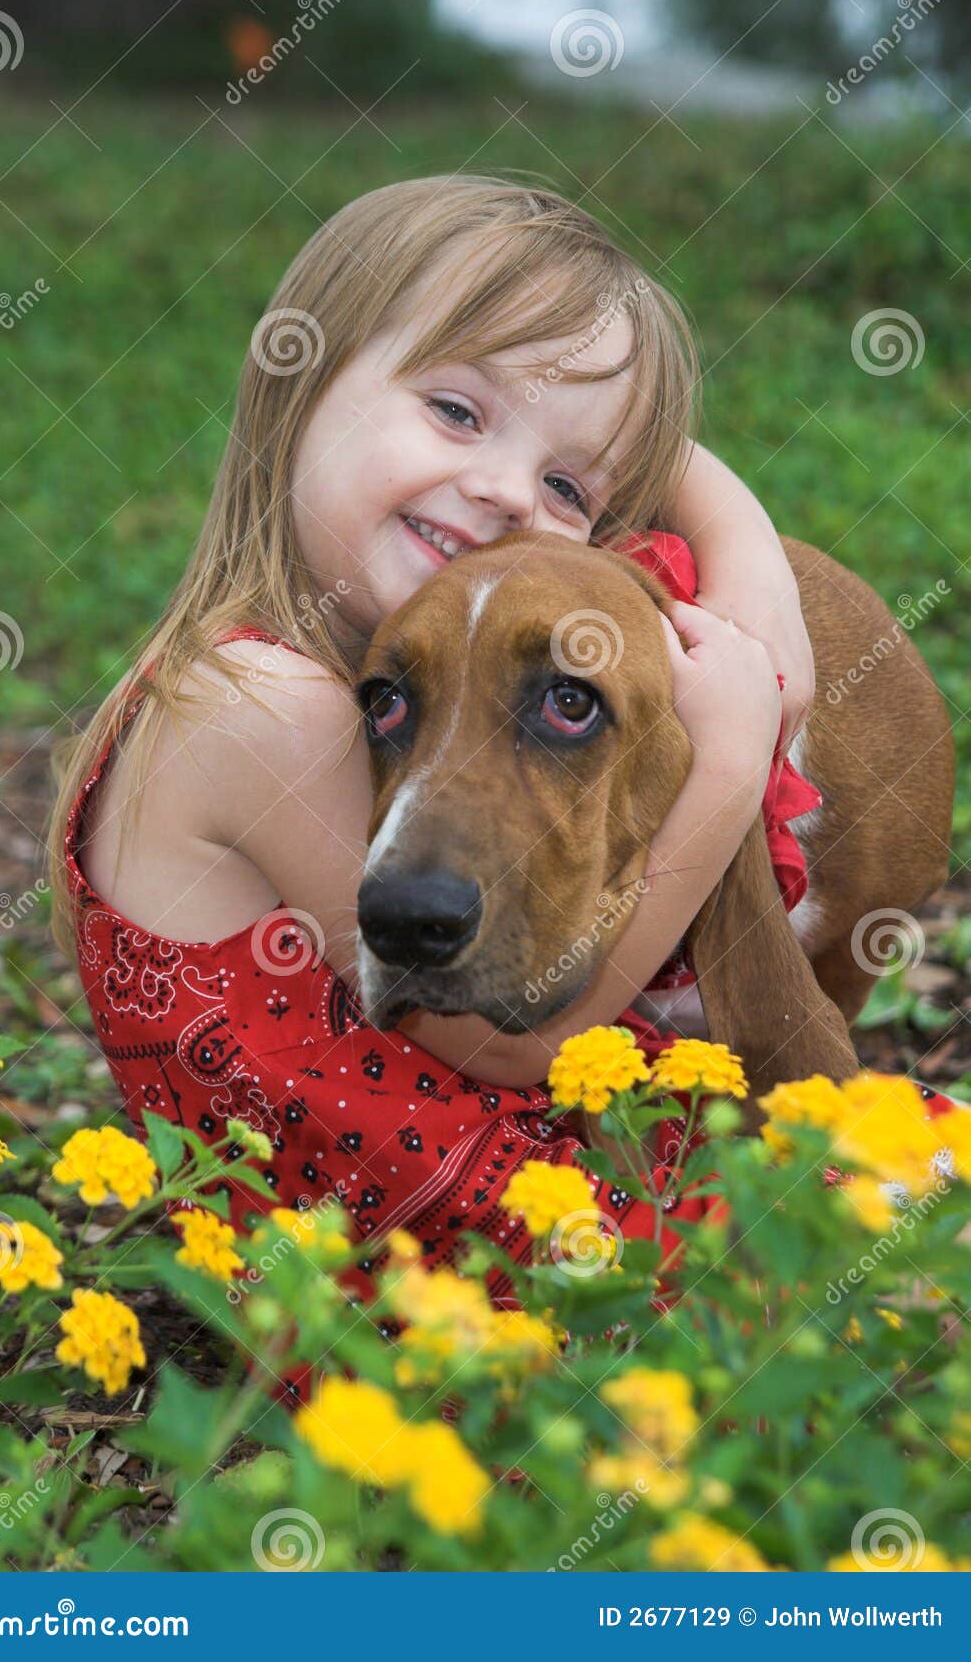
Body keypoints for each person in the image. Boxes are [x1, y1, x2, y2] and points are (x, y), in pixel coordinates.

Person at [45, 173, 886, 1309]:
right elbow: (512, 1042)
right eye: (455, 412)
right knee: (896, 1241)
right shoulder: (264, 704)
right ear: (294, 377)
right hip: (446, 1282)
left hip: (451, 1226)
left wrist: (741, 547)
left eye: (564, 486)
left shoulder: (364, 673)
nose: (503, 497)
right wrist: (728, 767)